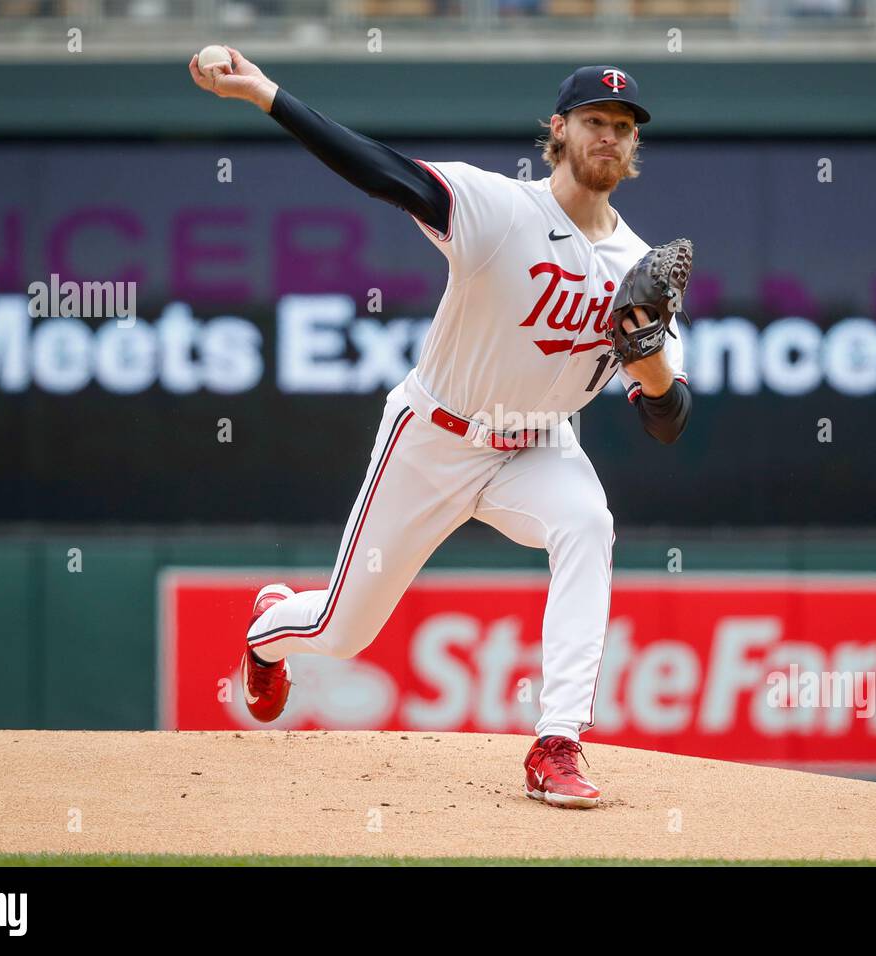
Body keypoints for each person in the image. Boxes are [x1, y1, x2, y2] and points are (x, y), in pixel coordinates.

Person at [189, 54, 691, 808]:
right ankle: (270, 627)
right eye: (594, 121)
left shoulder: (635, 267)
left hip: (537, 444)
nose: (610, 137)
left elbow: (667, 420)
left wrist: (646, 352)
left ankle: (558, 743)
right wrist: (265, 95)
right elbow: (380, 172)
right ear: (558, 131)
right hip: (434, 437)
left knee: (589, 522)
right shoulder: (500, 208)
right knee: (341, 629)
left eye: (623, 128)